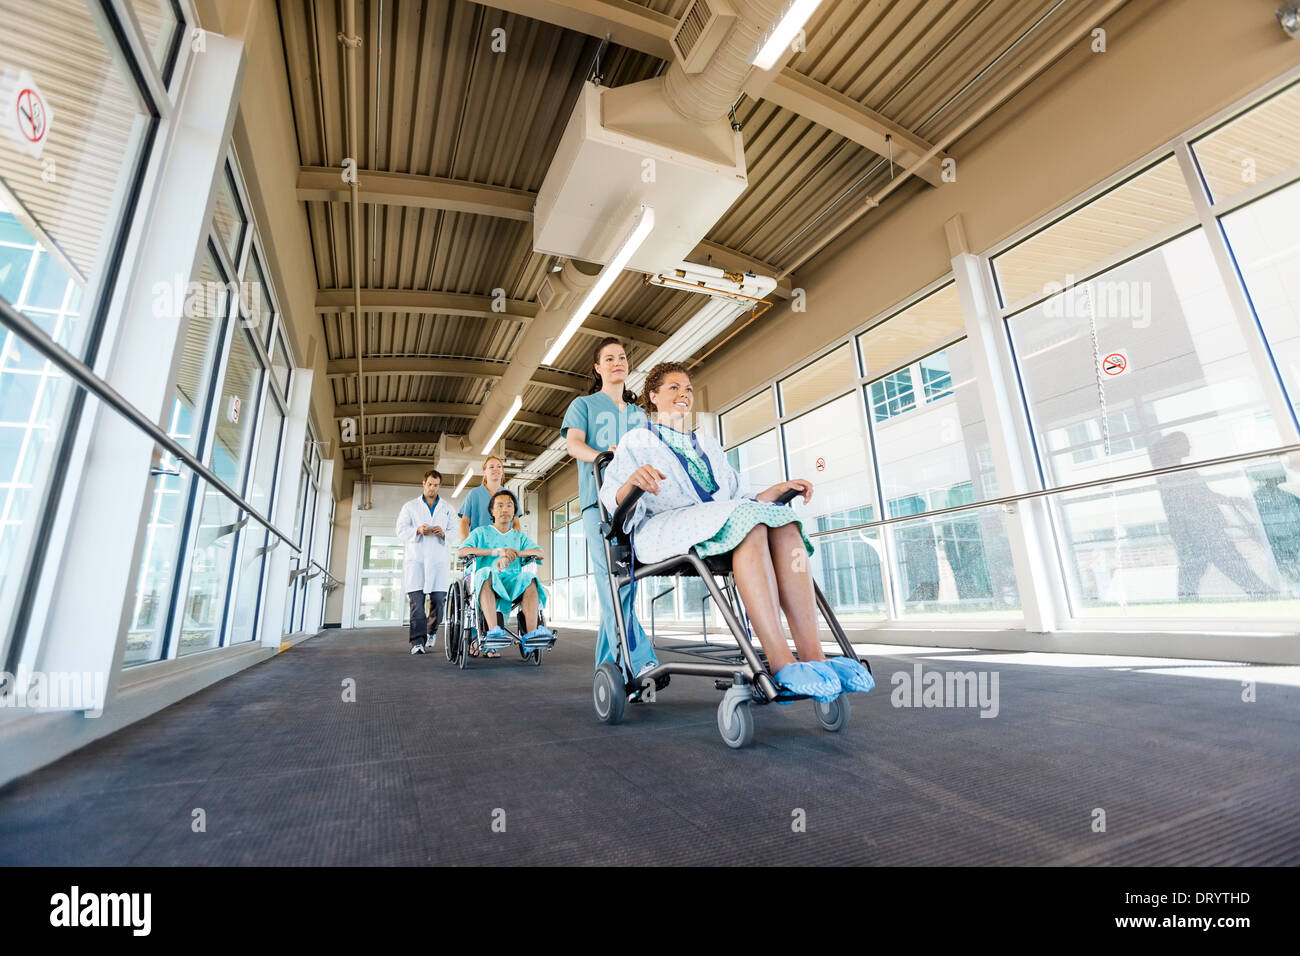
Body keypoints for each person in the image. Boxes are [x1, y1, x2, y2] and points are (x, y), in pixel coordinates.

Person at [599, 362, 874, 702]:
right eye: (673, 387)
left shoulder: (707, 443)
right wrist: (630, 482)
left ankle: (814, 656)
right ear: (652, 396)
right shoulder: (636, 439)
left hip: (718, 518)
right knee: (750, 521)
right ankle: (780, 661)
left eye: (687, 388)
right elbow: (614, 498)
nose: (683, 393)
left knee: (783, 521)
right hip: (664, 525)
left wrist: (774, 491)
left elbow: (736, 495)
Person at [562, 337, 657, 678]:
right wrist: (605, 457)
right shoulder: (583, 405)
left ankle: (609, 667)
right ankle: (640, 658)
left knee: (627, 581)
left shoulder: (640, 414)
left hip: (637, 504)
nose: (618, 362)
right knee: (610, 579)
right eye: (610, 358)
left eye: (623, 357)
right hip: (598, 503)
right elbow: (573, 444)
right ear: (598, 367)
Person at [1150, 431, 1272, 601]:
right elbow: (1198, 496)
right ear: (1172, 447)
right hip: (1198, 531)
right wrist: (1231, 500)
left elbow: (1202, 495)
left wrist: (1231, 501)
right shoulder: (1173, 473)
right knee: (1224, 566)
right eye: (1184, 442)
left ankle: (1263, 593)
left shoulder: (1176, 473)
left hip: (1200, 530)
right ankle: (1264, 594)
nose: (1189, 445)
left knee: (1211, 568)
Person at [458, 490, 551, 654]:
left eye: (509, 505)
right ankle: (494, 632)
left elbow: (540, 553)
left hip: (511, 582)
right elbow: (462, 552)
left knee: (529, 577)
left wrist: (514, 553)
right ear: (492, 511)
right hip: (486, 583)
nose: (505, 509)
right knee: (486, 571)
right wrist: (496, 552)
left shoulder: (519, 537)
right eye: (499, 506)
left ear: (514, 511)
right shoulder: (480, 532)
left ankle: (531, 636)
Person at [396, 469, 459, 655]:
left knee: (439, 601)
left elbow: (455, 533)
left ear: (440, 486)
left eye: (436, 485)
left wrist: (444, 533)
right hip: (416, 561)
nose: (432, 488)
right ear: (424, 484)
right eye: (430, 484)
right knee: (417, 602)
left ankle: (431, 631)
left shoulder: (447, 508)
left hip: (438, 561)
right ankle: (417, 641)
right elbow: (400, 530)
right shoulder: (410, 506)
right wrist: (417, 530)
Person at [458, 454, 520, 540]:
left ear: (502, 471)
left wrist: (516, 541)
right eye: (491, 467)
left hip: (504, 544)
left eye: (499, 466)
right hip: (479, 545)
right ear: (484, 471)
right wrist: (464, 541)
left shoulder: (510, 496)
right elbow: (465, 521)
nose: (496, 469)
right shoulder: (474, 494)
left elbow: (516, 523)